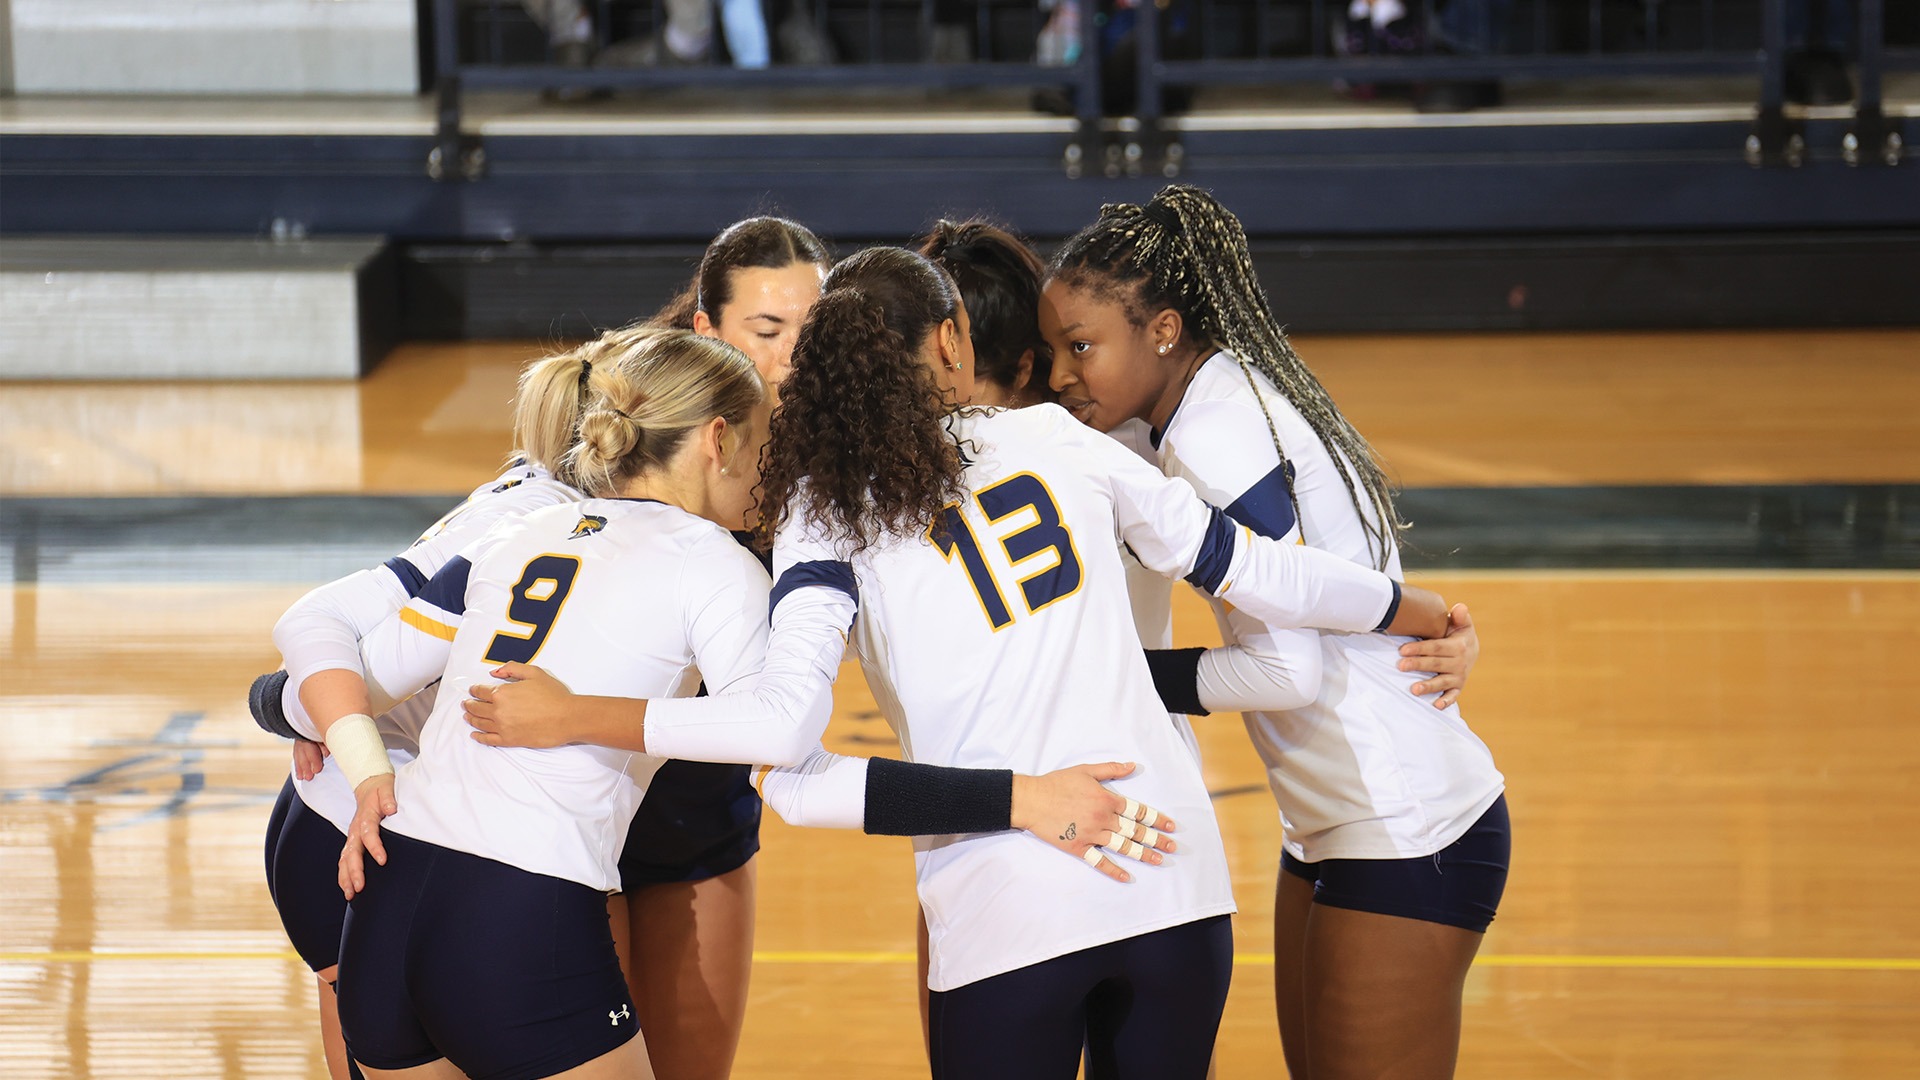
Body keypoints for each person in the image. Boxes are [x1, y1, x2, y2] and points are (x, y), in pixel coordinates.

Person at [461, 246, 1456, 1079]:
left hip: (1007, 913)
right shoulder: (1059, 439)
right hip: (1172, 881)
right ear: (951, 341)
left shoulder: (823, 512)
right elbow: (1268, 575)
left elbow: (793, 775)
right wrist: (1414, 610)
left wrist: (1020, 801)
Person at [1042, 184, 1508, 1080]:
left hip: (1405, 822)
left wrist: (1122, 677)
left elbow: (1286, 671)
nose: (1062, 373)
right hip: (1332, 822)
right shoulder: (1205, 402)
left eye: (1081, 347)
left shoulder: (1213, 438)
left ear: (1164, 331)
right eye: (1053, 350)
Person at [254, 338, 602, 1080]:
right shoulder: (536, 514)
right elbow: (327, 628)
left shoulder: (553, 498)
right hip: (357, 826)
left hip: (360, 822)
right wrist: (299, 710)